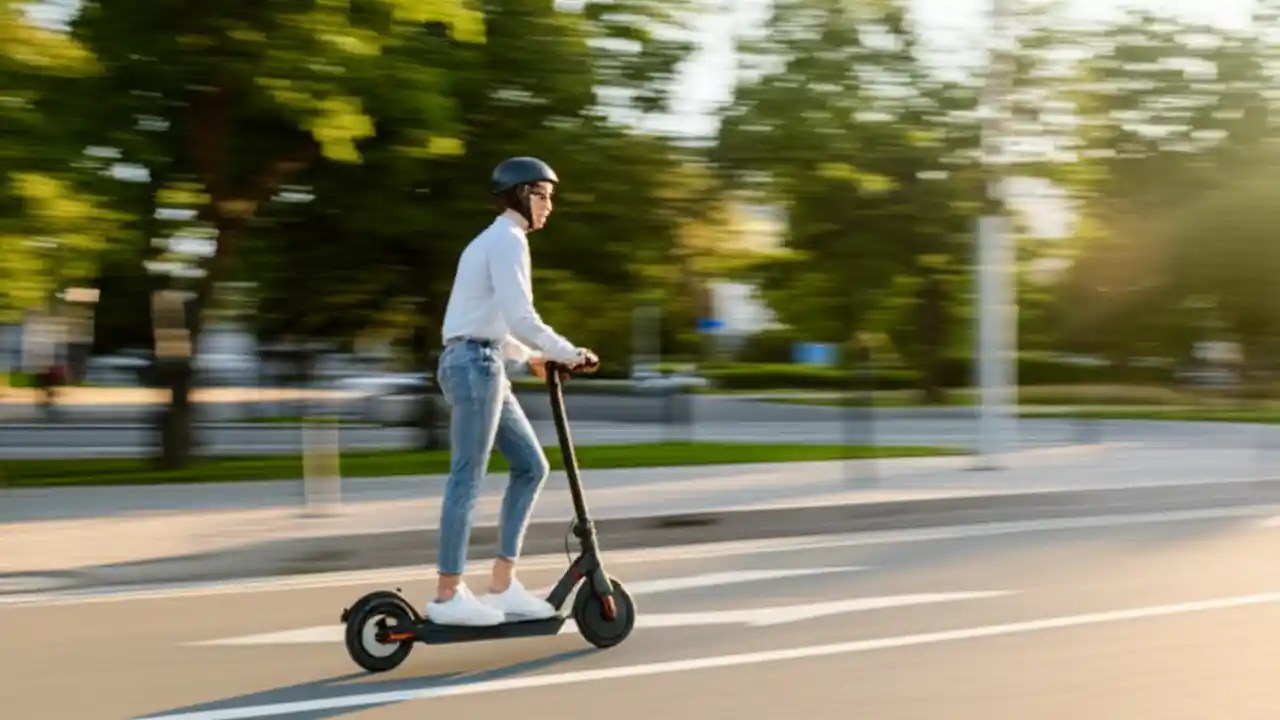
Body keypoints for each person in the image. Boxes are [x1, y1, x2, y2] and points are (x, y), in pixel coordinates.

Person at [428, 156, 599, 627]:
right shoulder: (506, 240)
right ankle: (447, 596)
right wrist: (567, 351)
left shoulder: (495, 241)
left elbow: (490, 321)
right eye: (543, 195)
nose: (549, 206)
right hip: (475, 366)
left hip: (484, 362)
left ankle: (502, 586)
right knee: (467, 476)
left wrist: (531, 357)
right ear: (521, 196)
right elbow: (521, 315)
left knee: (531, 466)